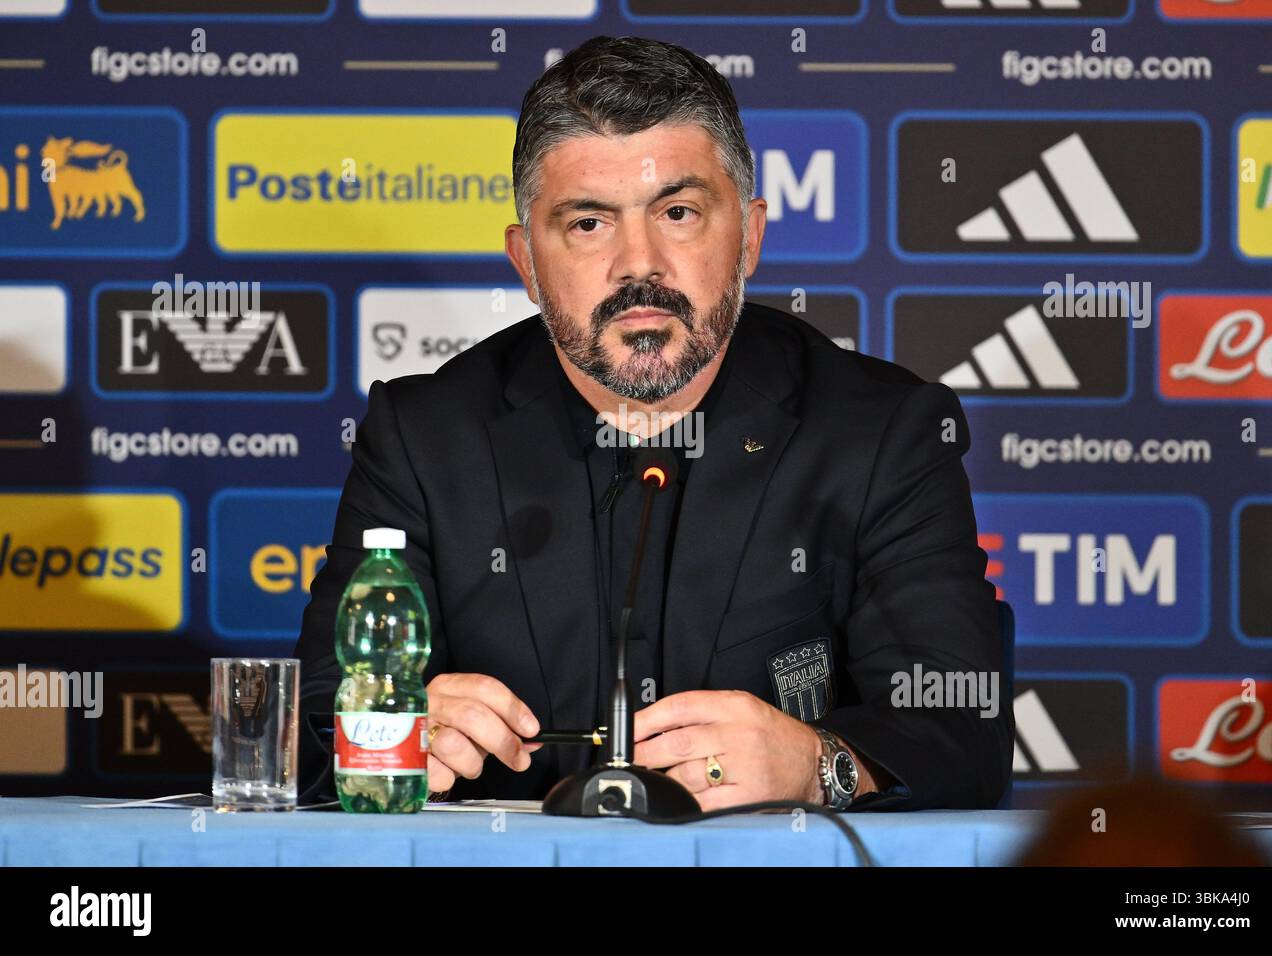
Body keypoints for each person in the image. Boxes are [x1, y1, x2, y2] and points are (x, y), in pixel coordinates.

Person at [293, 35, 1012, 812]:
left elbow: (958, 728)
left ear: (750, 236)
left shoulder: (880, 434)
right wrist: (387, 734)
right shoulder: (424, 438)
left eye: (678, 212)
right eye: (589, 224)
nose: (640, 265)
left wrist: (819, 764)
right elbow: (307, 739)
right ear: (526, 262)